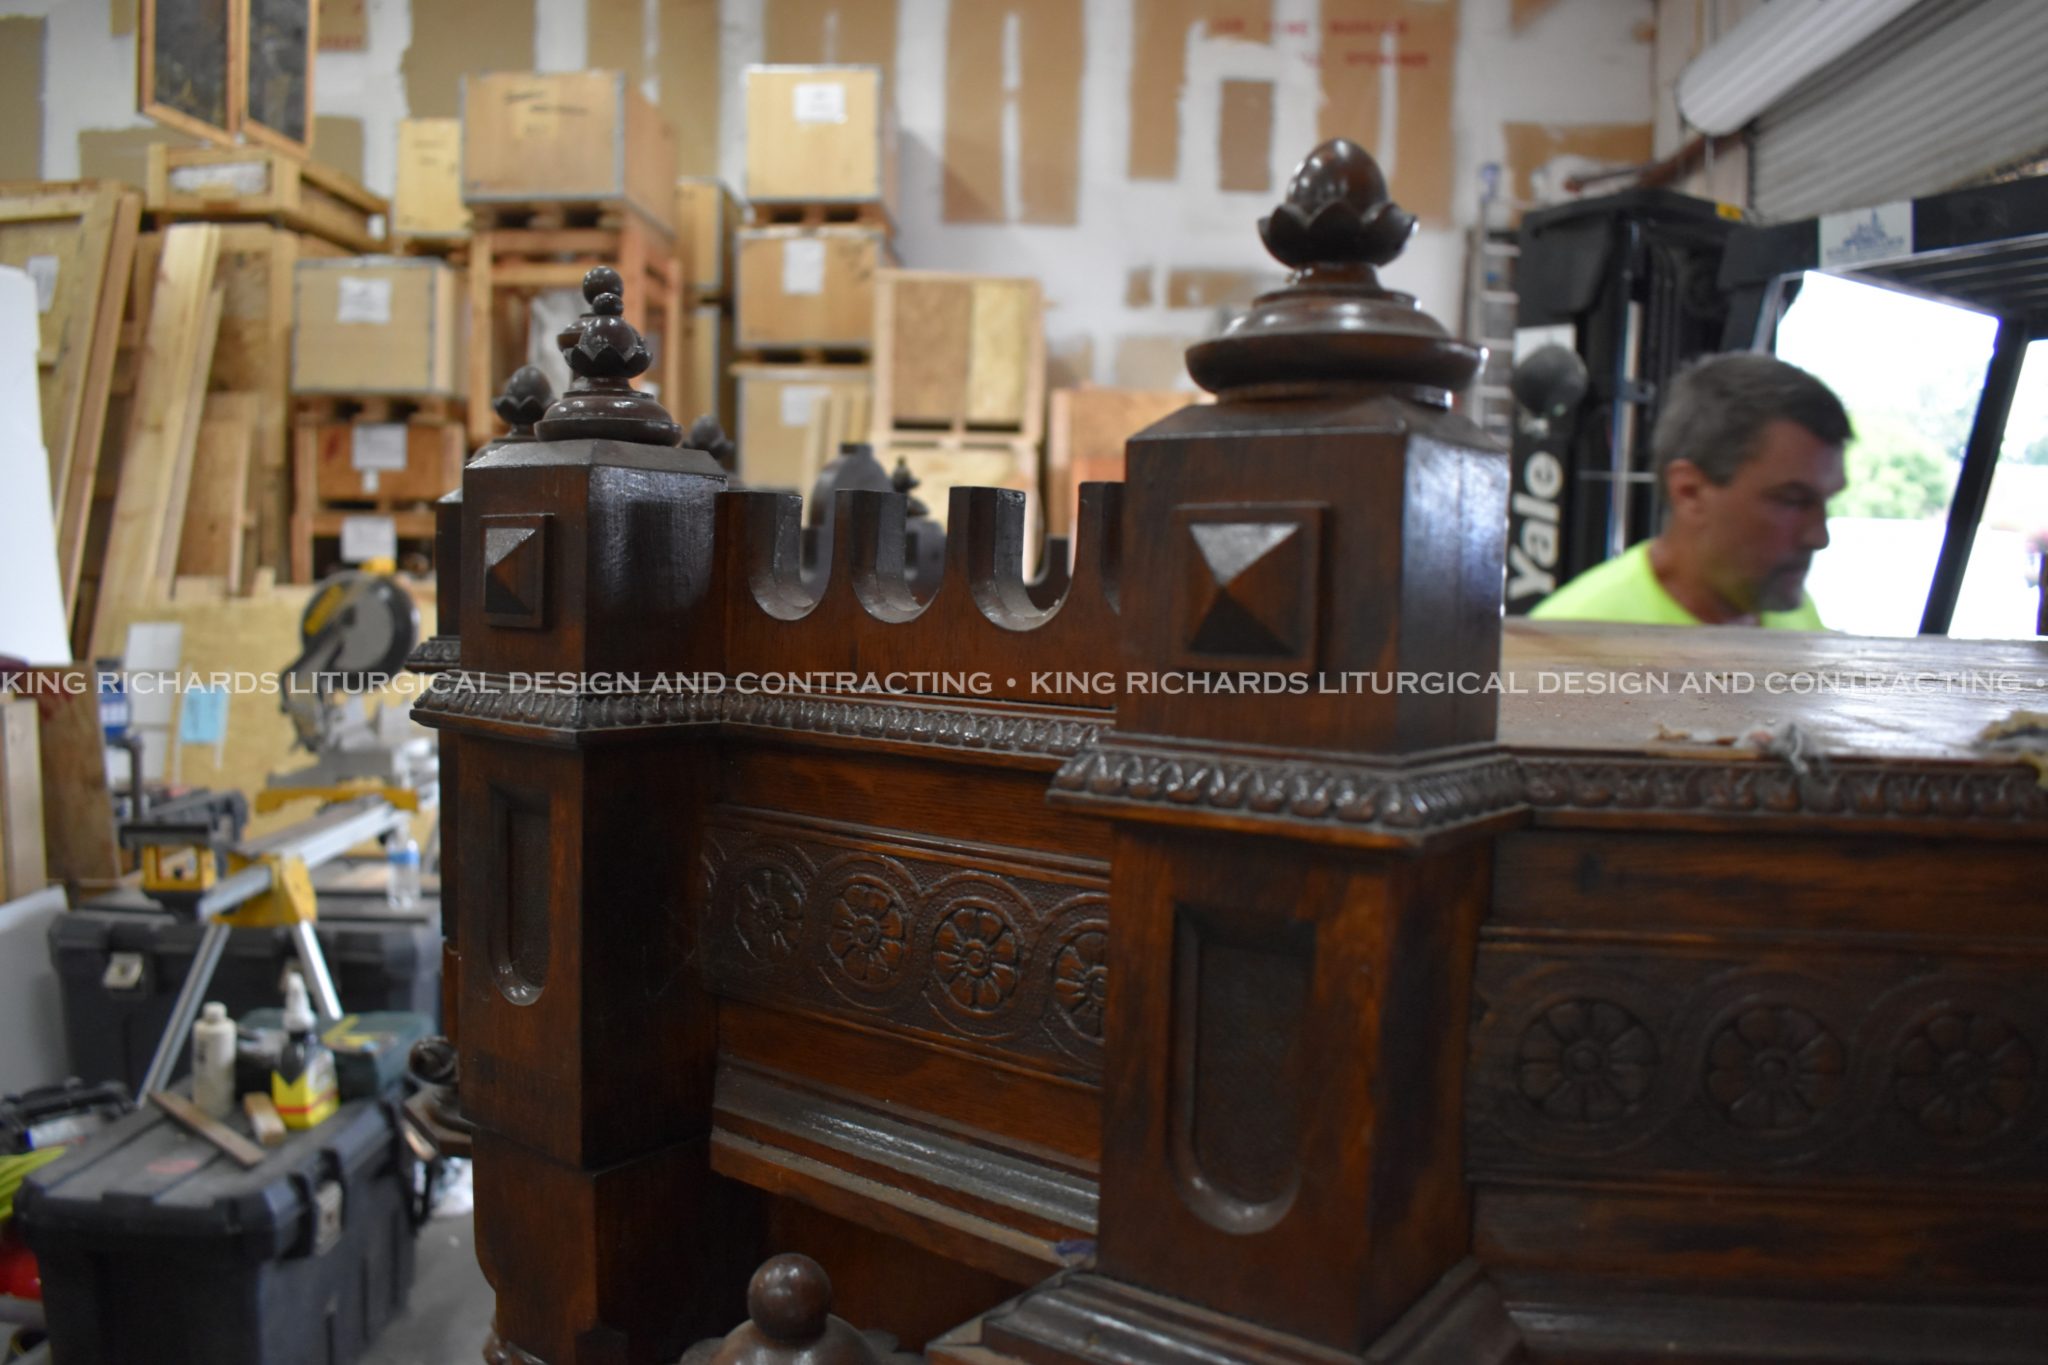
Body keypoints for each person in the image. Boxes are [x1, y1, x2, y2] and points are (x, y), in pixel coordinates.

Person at [1529, 352, 1851, 628]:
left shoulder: (1790, 610)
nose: (1819, 537)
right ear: (1690, 491)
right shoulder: (1572, 638)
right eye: (1793, 501)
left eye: (1825, 502)